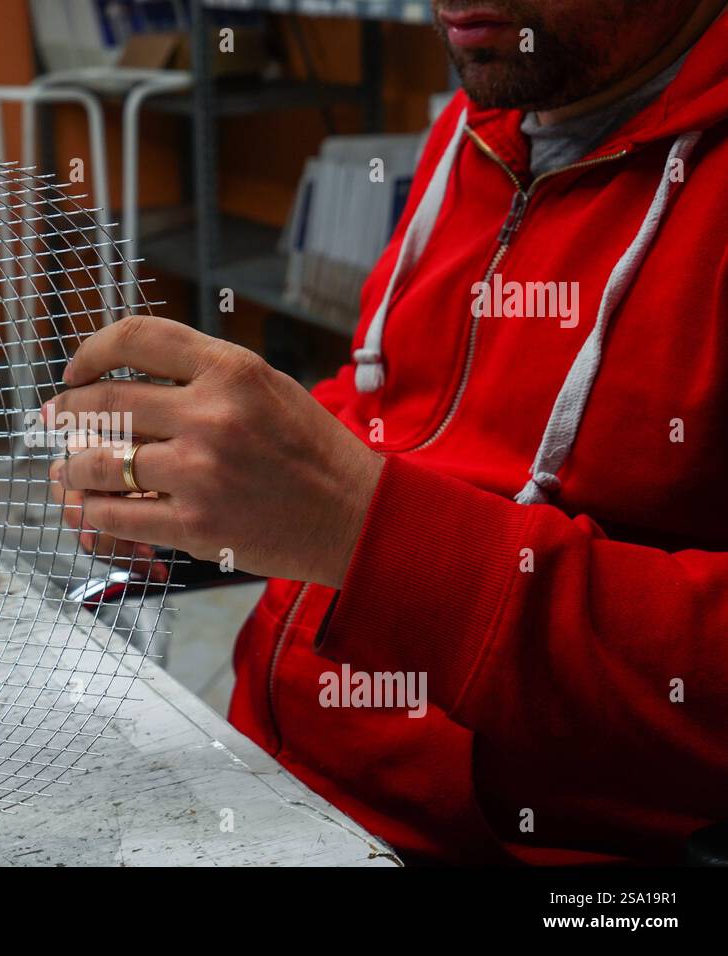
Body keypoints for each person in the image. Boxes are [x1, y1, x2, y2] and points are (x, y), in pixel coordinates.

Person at [44, 0, 728, 863]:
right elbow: (398, 411)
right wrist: (202, 502)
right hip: (274, 773)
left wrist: (361, 527)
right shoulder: (482, 119)